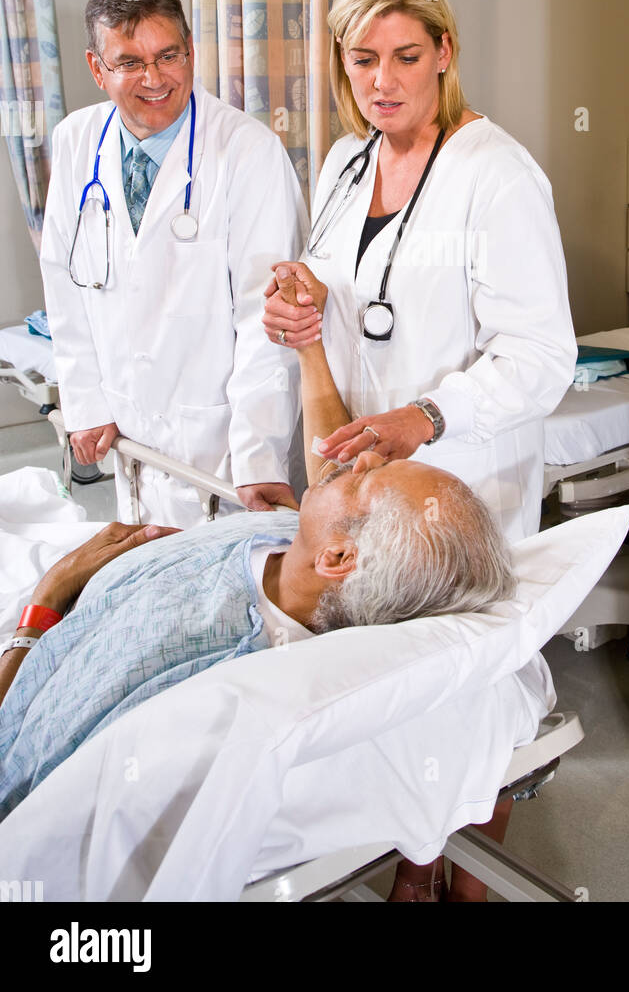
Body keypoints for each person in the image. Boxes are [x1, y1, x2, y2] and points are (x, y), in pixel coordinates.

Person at [0, 268, 516, 906]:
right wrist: (309, 346)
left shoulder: (206, 663)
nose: (363, 455)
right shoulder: (289, 539)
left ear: (337, 558)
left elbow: (20, 755)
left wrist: (46, 601)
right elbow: (333, 452)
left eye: (367, 478)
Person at [263, 0, 576, 544]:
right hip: (357, 485)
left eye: (406, 57)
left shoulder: (495, 174)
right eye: (363, 59)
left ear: (444, 53)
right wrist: (298, 306)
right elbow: (342, 300)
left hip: (460, 483)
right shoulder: (346, 164)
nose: (383, 80)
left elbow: (541, 356)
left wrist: (427, 417)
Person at [40, 0, 309, 526]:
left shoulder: (247, 152)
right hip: (130, 431)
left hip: (225, 443)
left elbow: (270, 317)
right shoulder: (74, 143)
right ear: (97, 69)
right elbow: (64, 284)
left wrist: (259, 453)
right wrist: (87, 404)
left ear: (190, 52)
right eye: (130, 62)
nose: (156, 78)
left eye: (169, 56)